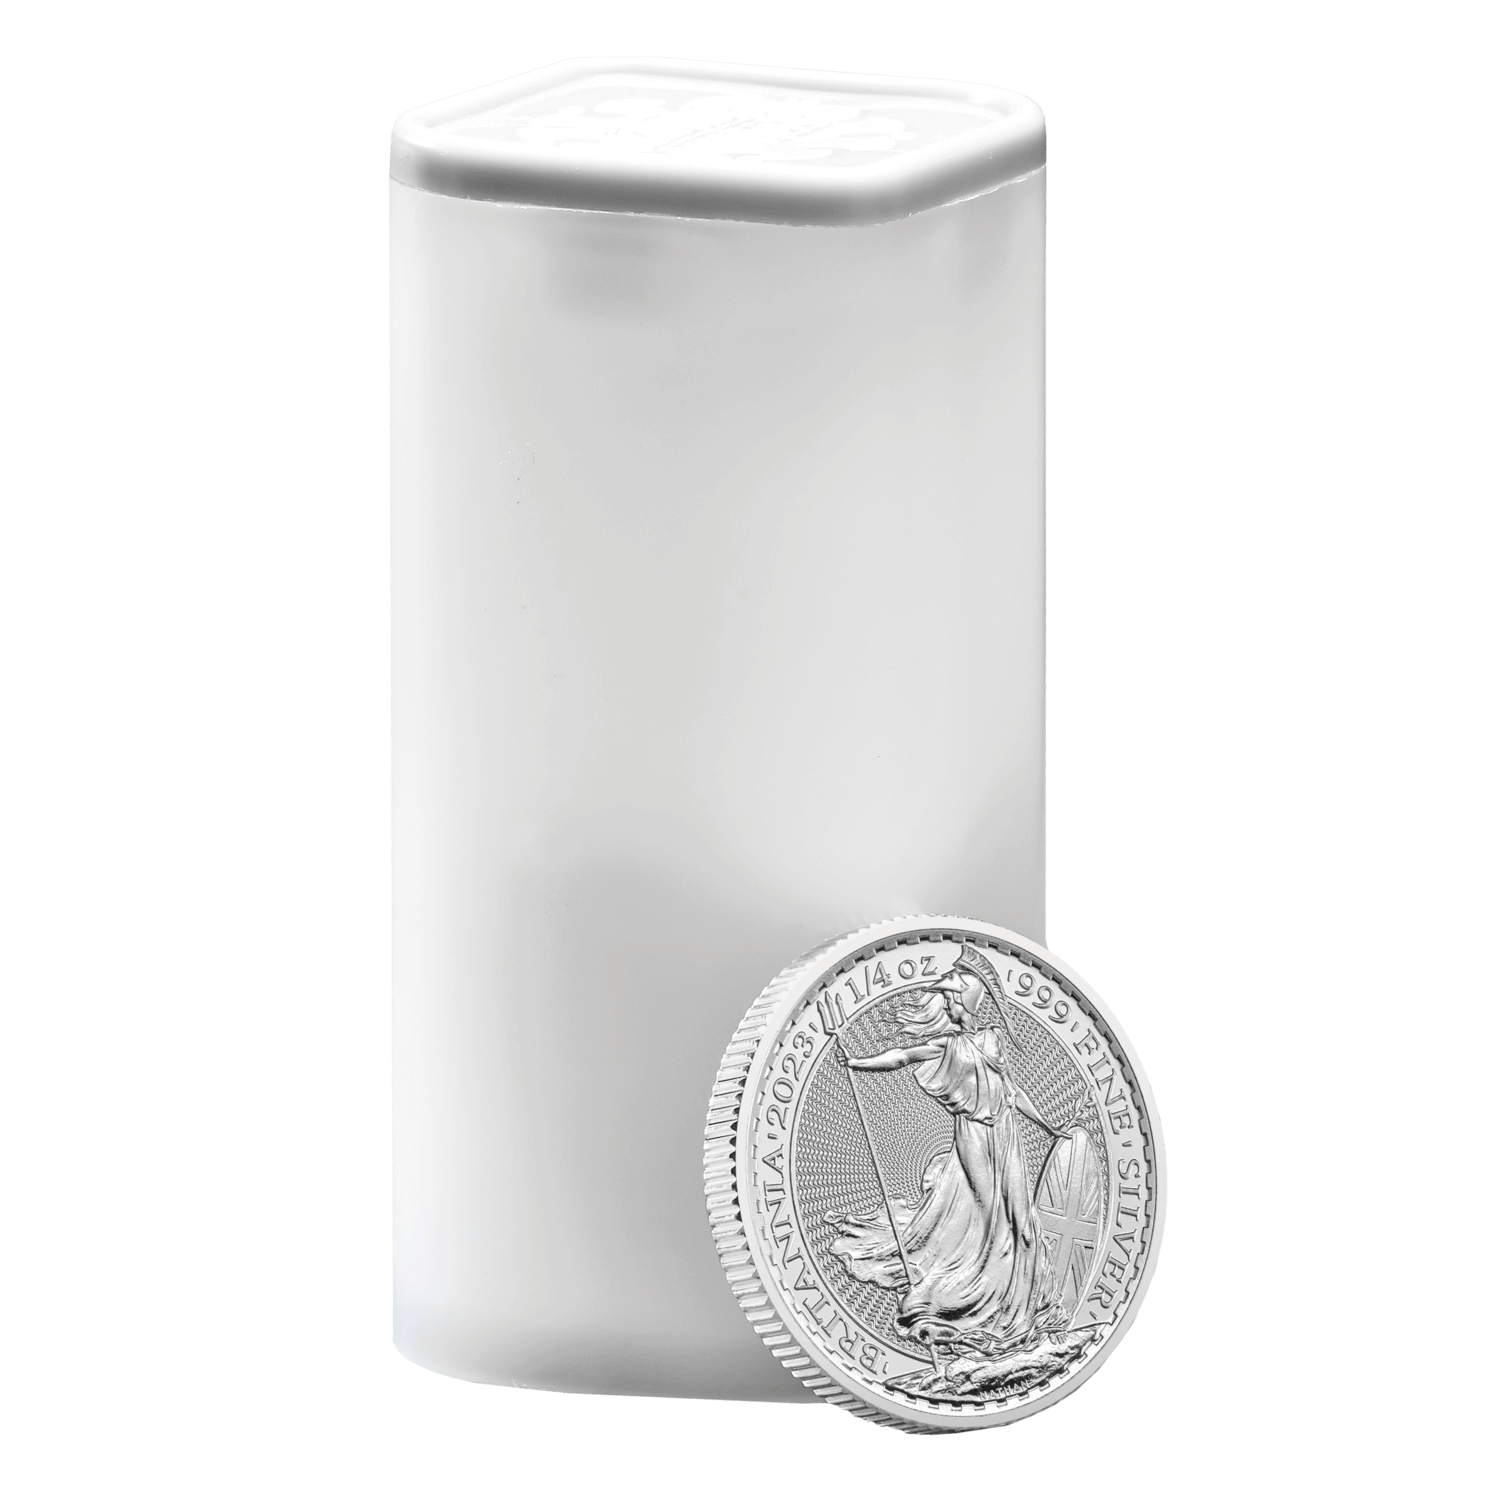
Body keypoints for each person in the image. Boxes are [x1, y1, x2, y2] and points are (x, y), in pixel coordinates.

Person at [830, 967, 1086, 1360]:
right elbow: (902, 1056)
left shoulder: (993, 1039)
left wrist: (1048, 1127)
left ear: (967, 1001)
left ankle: (1028, 1306)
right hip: (975, 1136)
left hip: (1006, 1135)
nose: (947, 1005)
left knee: (1020, 1219)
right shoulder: (945, 1044)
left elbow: (1011, 1091)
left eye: (951, 998)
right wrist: (856, 1063)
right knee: (988, 1219)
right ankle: (977, 1305)